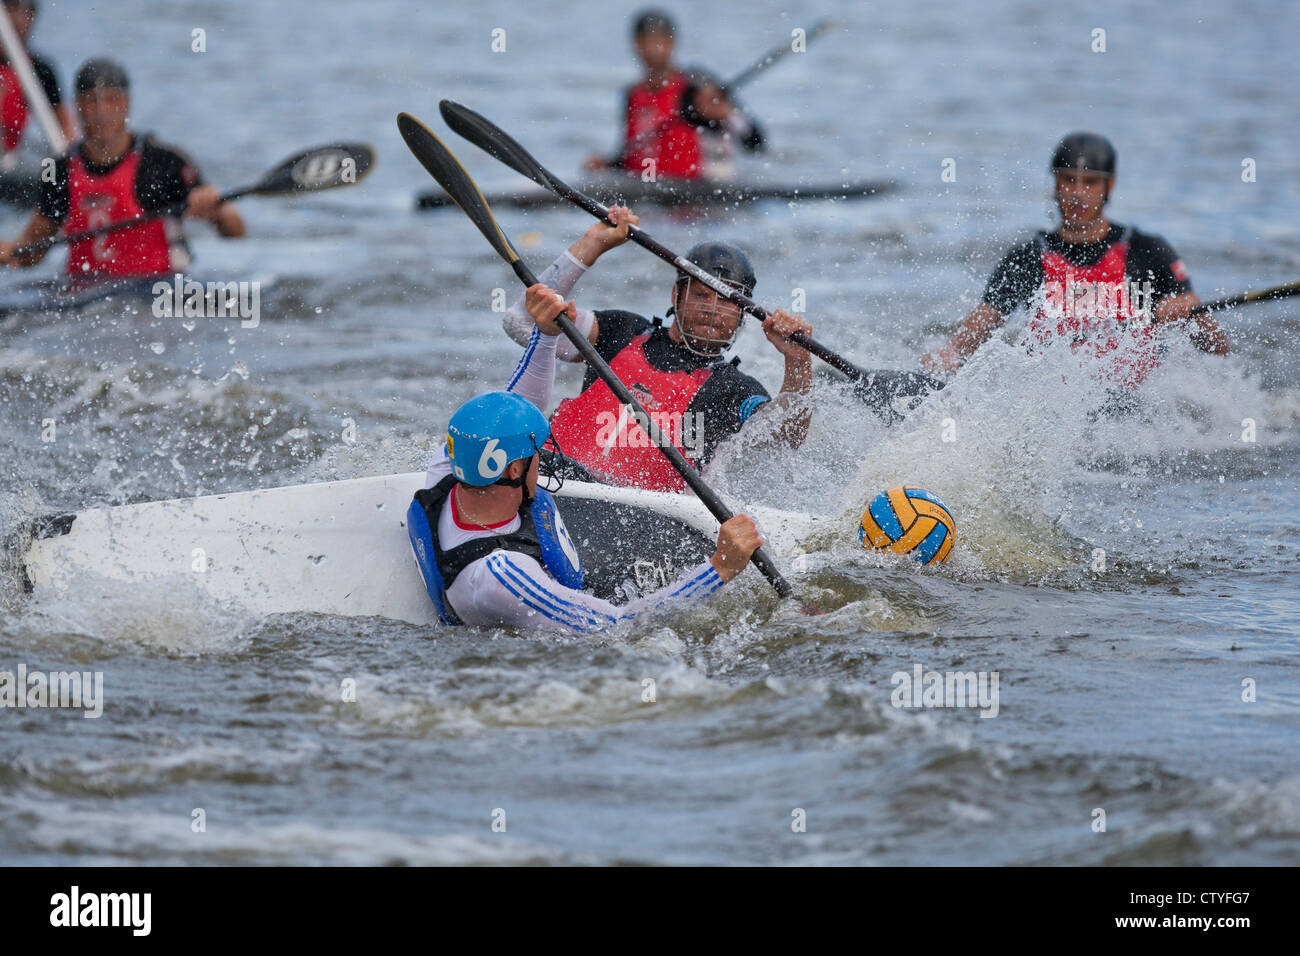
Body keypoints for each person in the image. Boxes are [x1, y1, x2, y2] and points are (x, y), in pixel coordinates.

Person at [407, 286, 765, 632]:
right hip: (552, 612)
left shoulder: (448, 470)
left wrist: (546, 337)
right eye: (537, 452)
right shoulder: (505, 577)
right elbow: (617, 625)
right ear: (514, 469)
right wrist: (719, 569)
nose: (544, 456)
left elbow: (516, 409)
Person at [502, 205, 814, 494]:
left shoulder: (733, 390)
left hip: (639, 520)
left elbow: (787, 437)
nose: (713, 310)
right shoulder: (621, 332)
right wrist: (593, 243)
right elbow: (521, 323)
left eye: (727, 302)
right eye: (702, 295)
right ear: (676, 294)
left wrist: (798, 362)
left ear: (743, 314)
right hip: (550, 482)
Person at [922, 132, 1229, 390]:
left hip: (1131, 401)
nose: (1078, 194)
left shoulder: (1147, 250)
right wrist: (947, 355)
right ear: (1055, 184)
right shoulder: (1027, 258)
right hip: (1056, 399)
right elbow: (974, 332)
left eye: (1090, 183)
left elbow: (1220, 353)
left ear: (1109, 187)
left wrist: (1193, 314)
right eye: (1069, 180)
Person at [0, 58, 244, 284]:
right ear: (77, 106)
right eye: (90, 100)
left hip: (154, 292)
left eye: (111, 100)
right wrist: (10, 251)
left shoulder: (164, 163)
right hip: (84, 298)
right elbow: (33, 249)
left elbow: (235, 232)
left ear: (126, 104)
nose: (101, 111)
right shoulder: (59, 169)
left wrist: (217, 210)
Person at [584, 9, 763, 182]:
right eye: (645, 41)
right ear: (636, 45)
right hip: (646, 191)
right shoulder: (632, 94)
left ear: (672, 43)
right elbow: (633, 155)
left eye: (659, 41)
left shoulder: (698, 87)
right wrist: (608, 165)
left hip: (695, 192)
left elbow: (756, 143)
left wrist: (728, 115)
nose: (653, 49)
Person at [0, 0, 78, 153]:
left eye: (26, 12)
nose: (19, 20)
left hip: (8, 160)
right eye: (12, 10)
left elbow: (66, 130)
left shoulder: (40, 70)